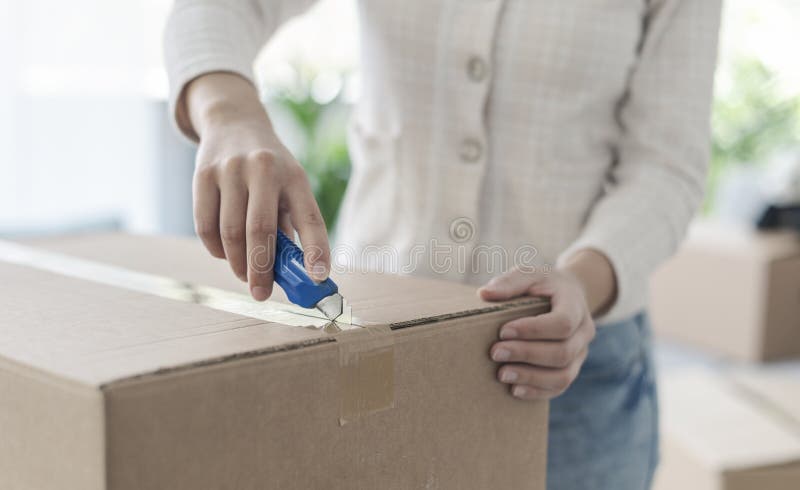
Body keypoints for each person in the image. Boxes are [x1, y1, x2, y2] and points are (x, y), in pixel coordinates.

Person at [164, 1, 721, 488]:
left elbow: (666, 168)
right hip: (377, 352)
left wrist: (581, 278)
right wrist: (229, 114)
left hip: (568, 370)